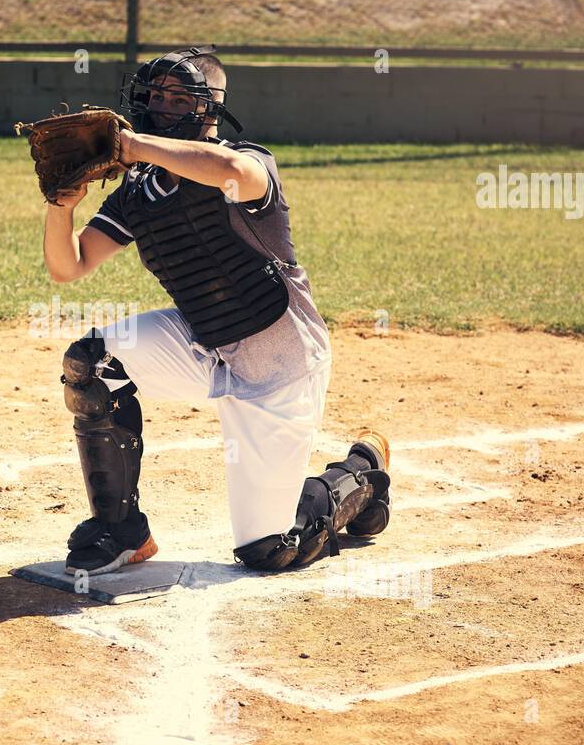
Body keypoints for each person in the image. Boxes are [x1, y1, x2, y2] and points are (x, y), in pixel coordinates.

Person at [42, 45, 391, 575]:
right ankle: (120, 530)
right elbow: (69, 266)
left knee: (272, 548)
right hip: (203, 338)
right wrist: (59, 206)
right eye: (155, 95)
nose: (162, 105)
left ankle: (360, 473)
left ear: (209, 108)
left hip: (278, 360)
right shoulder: (138, 191)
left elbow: (228, 168)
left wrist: (135, 145)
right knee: (92, 364)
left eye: (179, 97)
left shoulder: (246, 161)